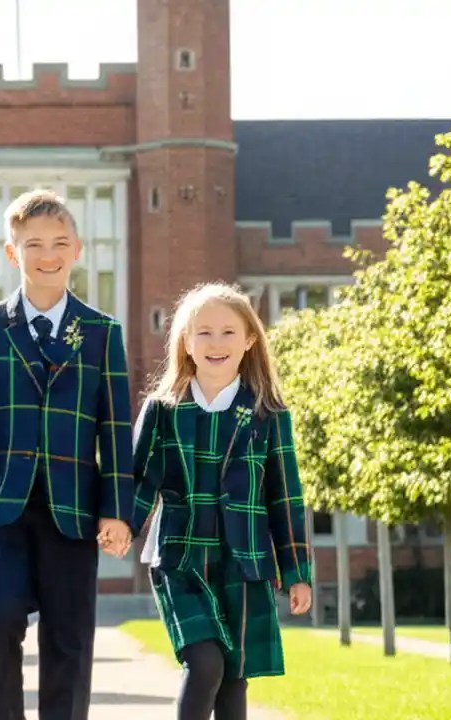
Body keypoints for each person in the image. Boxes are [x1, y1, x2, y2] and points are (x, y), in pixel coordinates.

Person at [0, 188, 134, 720]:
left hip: (74, 510)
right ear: (12, 252)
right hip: (3, 506)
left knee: (69, 636)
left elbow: (114, 429)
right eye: (34, 244)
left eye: (60, 242)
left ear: (78, 249)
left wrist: (117, 509)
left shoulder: (102, 333)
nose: (48, 254)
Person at [130, 283, 312, 720]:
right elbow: (138, 481)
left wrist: (297, 573)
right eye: (204, 332)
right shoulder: (162, 411)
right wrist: (120, 525)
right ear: (186, 343)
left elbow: (285, 499)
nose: (216, 343)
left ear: (249, 340)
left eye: (228, 332)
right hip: (180, 559)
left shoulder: (269, 414)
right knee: (205, 662)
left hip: (245, 562)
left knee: (234, 675)